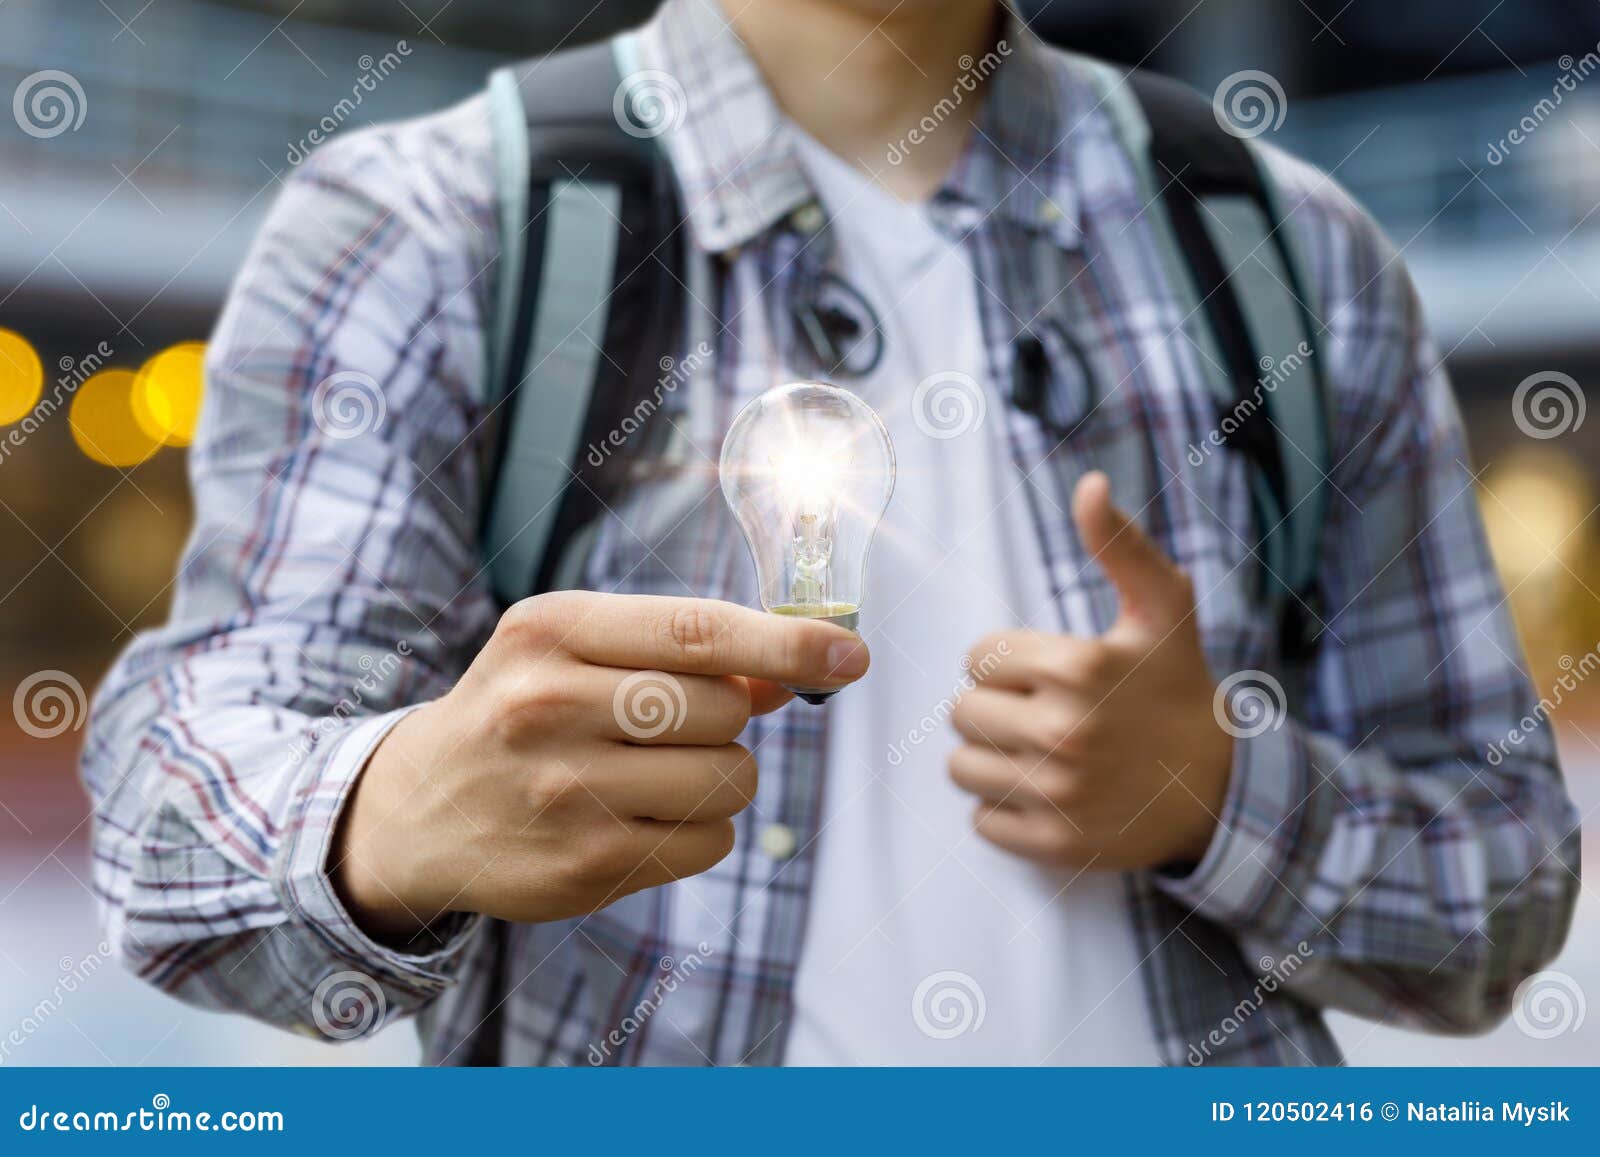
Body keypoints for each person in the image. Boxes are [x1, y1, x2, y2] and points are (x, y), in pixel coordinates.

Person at [82, 0, 1578, 1066]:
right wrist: (389, 813)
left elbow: (1502, 901)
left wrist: (1218, 793)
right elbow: (169, 822)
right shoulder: (427, 230)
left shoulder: (1294, 257)